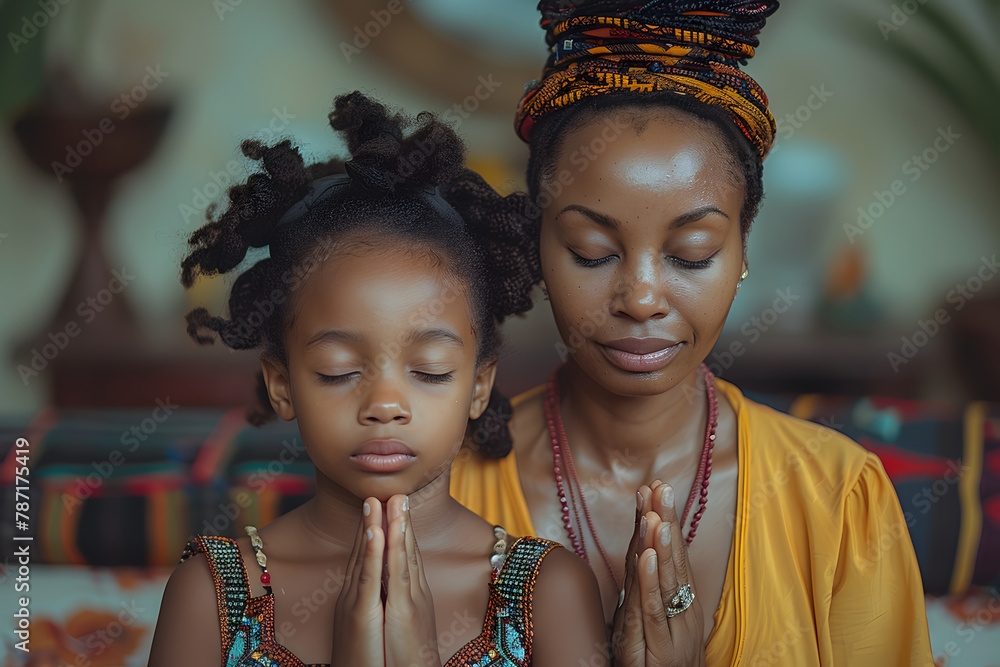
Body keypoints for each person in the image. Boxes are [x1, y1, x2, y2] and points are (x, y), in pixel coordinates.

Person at [449, 2, 935, 665]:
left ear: (742, 252)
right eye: (592, 251)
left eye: (691, 254)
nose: (642, 298)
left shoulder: (839, 498)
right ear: (537, 248)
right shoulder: (447, 489)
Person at [147, 91, 608, 667]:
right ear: (282, 386)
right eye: (338, 371)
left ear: (479, 386)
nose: (385, 404)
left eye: (430, 371)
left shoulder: (548, 593)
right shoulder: (211, 596)